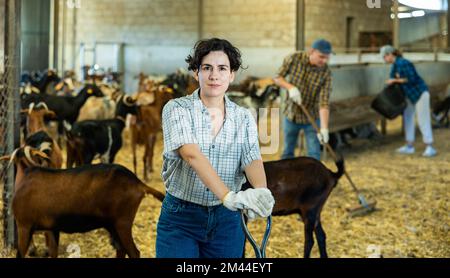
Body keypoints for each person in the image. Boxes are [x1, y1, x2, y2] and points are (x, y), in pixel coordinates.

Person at [156, 38, 275, 258]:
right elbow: (191, 154)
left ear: (231, 74)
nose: (214, 75)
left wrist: (260, 191)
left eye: (222, 68)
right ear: (196, 72)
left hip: (227, 221)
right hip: (181, 218)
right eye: (207, 68)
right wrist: (228, 196)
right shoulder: (177, 109)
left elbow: (252, 158)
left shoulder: (243, 117)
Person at [273, 39, 333, 161]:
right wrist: (290, 88)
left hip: (312, 117)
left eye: (327, 58)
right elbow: (277, 78)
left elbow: (324, 102)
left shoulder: (326, 73)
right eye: (321, 57)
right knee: (287, 153)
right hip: (291, 115)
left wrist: (324, 128)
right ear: (311, 51)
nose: (324, 61)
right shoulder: (294, 58)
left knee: (314, 155)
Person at [380, 45, 437, 157]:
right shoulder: (395, 66)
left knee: (422, 119)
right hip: (409, 95)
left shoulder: (403, 63)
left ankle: (429, 146)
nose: (384, 59)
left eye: (385, 56)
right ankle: (409, 145)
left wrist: (395, 80)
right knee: (408, 118)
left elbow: (412, 79)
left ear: (391, 54)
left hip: (419, 93)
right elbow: (394, 79)